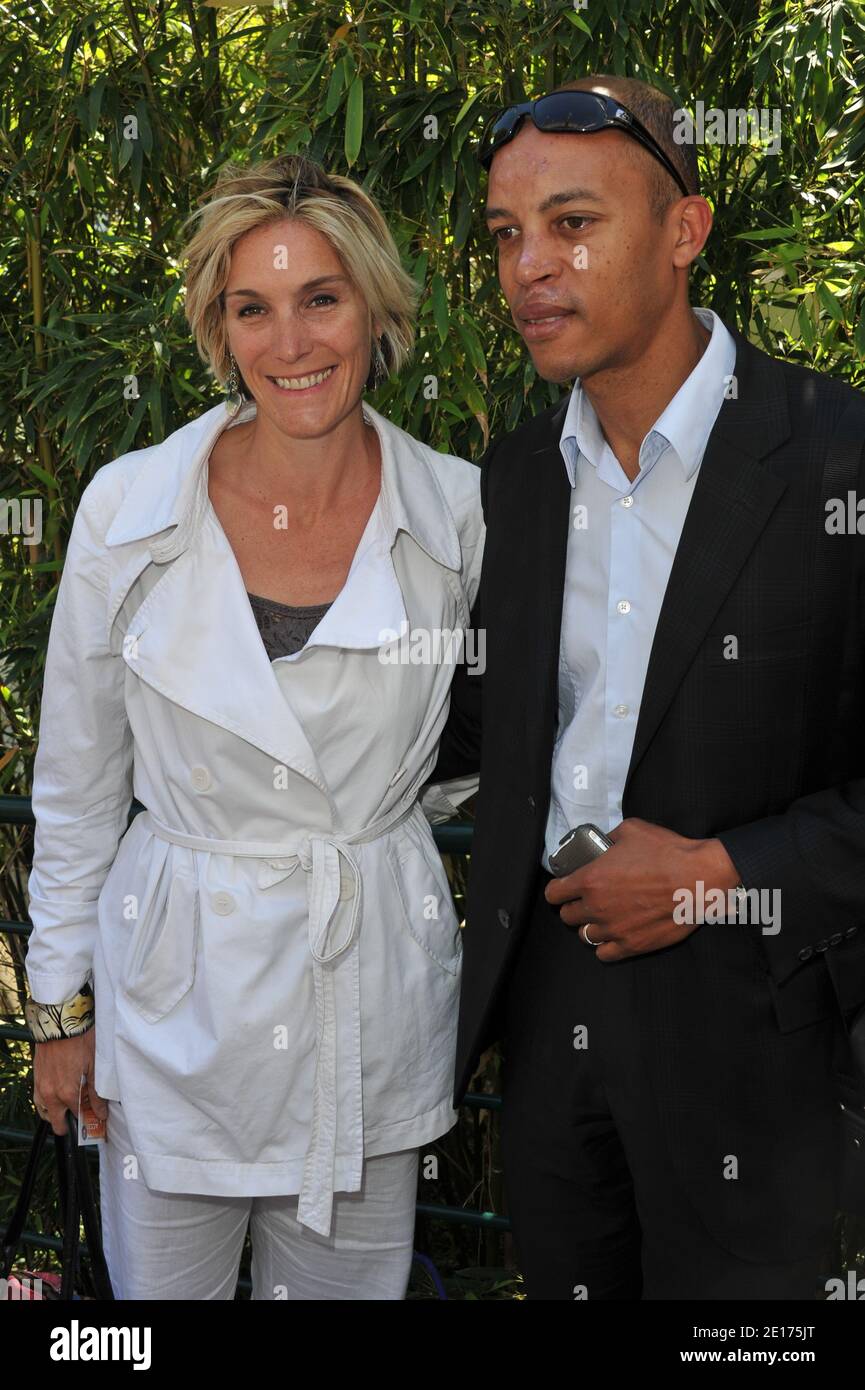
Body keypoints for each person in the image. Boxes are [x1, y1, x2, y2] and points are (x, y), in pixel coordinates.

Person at [432, 74, 865, 1299]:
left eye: (573, 224)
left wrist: (719, 878)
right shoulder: (511, 478)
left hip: (765, 1024)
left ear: (685, 231)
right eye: (507, 237)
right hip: (549, 1006)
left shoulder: (836, 455)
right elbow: (465, 724)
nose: (529, 268)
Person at [24, 153, 483, 1300]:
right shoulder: (127, 510)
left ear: (375, 308)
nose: (291, 342)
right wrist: (58, 1012)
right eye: (252, 308)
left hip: (363, 1003)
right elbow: (77, 783)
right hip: (174, 1014)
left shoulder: (465, 514)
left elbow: (477, 755)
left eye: (320, 297)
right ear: (217, 330)